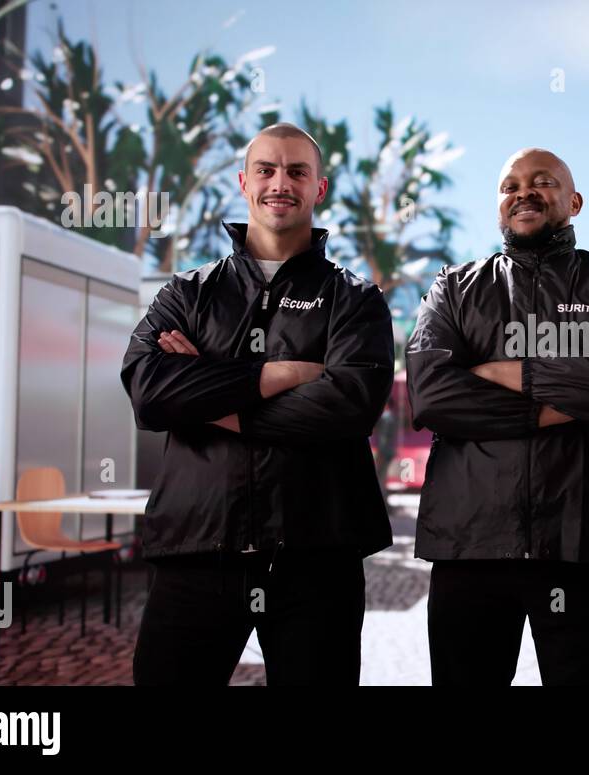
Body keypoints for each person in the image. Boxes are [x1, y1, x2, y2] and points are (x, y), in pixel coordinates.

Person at [122, 123, 394, 686]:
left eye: (298, 171)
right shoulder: (188, 293)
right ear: (245, 183)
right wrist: (278, 374)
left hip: (317, 552)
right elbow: (150, 393)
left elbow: (348, 408)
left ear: (319, 189)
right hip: (198, 548)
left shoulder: (355, 299)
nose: (281, 183)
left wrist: (206, 395)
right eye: (267, 170)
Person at [405, 148, 589, 685]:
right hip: (469, 547)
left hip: (584, 547)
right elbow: (432, 395)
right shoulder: (453, 289)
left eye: (543, 181)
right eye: (510, 185)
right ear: (498, 205)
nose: (524, 192)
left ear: (574, 201)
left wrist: (504, 372)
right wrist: (569, 392)